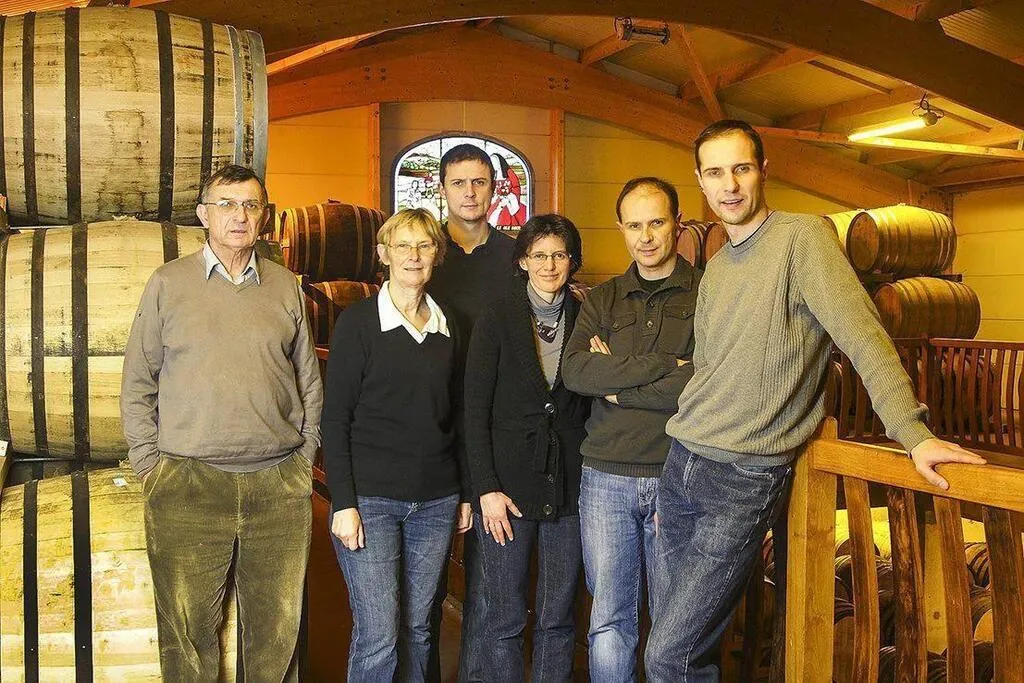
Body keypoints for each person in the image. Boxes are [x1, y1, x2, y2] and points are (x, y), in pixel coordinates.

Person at [645, 120, 986, 681]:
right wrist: (673, 469)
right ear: (700, 182)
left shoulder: (802, 240)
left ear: (763, 170)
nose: (729, 185)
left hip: (743, 475)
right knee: (680, 644)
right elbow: (706, 369)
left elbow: (864, 337)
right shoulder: (718, 266)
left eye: (741, 168)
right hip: (683, 463)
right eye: (715, 172)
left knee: (668, 656)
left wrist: (913, 433)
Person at [121, 164, 322, 681]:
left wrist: (303, 458)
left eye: (251, 205)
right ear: (203, 214)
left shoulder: (285, 285)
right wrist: (150, 465)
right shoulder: (168, 283)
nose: (239, 216)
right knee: (188, 639)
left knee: (276, 635)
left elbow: (309, 380)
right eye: (227, 204)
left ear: (264, 217)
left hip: (278, 484)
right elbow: (139, 379)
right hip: (187, 483)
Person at [322, 208, 473, 682]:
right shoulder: (358, 323)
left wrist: (465, 492)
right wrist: (343, 502)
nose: (413, 255)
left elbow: (461, 415)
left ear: (437, 255)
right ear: (384, 254)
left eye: (424, 245)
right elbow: (335, 418)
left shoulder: (450, 325)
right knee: (379, 634)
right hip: (372, 501)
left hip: (437, 499)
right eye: (402, 245)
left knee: (419, 628)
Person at [561, 178, 701, 682]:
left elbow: (703, 380)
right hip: (604, 477)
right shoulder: (603, 298)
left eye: (656, 223)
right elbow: (577, 372)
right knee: (609, 621)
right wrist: (665, 364)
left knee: (674, 623)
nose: (646, 237)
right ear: (620, 228)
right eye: (634, 225)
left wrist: (618, 386)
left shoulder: (708, 292)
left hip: (676, 476)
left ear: (677, 225)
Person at [464, 214, 589, 682]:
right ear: (523, 261)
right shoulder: (497, 316)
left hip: (570, 490)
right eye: (539, 255)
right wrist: (486, 489)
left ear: (572, 261)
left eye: (559, 255)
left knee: (558, 619)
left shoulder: (588, 317)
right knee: (504, 620)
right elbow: (475, 411)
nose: (549, 265)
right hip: (507, 493)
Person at [426, 143, 518, 683]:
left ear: (494, 189)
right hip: (434, 425)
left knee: (490, 582)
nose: (469, 192)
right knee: (425, 586)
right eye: (458, 182)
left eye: (479, 182)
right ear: (442, 190)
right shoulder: (425, 252)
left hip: (492, 428)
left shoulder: (514, 256)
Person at [487, 152, 527, 230]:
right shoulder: (490, 175)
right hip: (496, 200)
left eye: (495, 162)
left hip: (509, 200)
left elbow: (516, 187)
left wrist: (510, 197)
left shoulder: (509, 173)